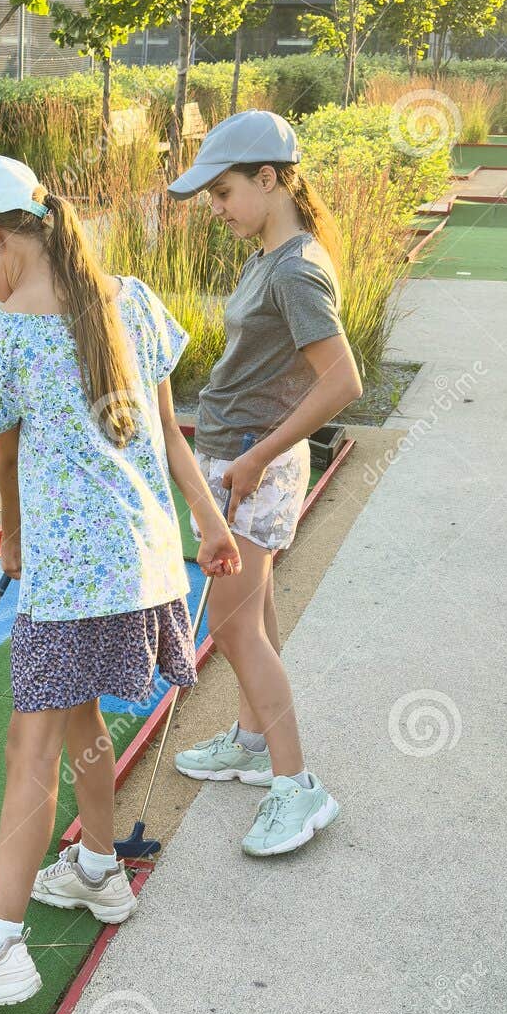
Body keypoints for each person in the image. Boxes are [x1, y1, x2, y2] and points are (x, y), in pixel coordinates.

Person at [0, 153, 241, 1010]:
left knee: (29, 747)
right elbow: (171, 434)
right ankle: (96, 869)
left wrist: (13, 545)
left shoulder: (2, 338)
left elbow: (7, 456)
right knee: (82, 712)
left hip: (74, 577)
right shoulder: (131, 300)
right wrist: (208, 524)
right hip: (145, 559)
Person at [165, 109, 363, 856]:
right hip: (239, 457)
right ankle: (253, 741)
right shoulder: (268, 255)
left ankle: (298, 787)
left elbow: (342, 381)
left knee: (232, 628)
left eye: (223, 194)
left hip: (250, 466)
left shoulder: (296, 268)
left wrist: (255, 456)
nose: (215, 210)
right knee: (257, 616)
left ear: (270, 179)